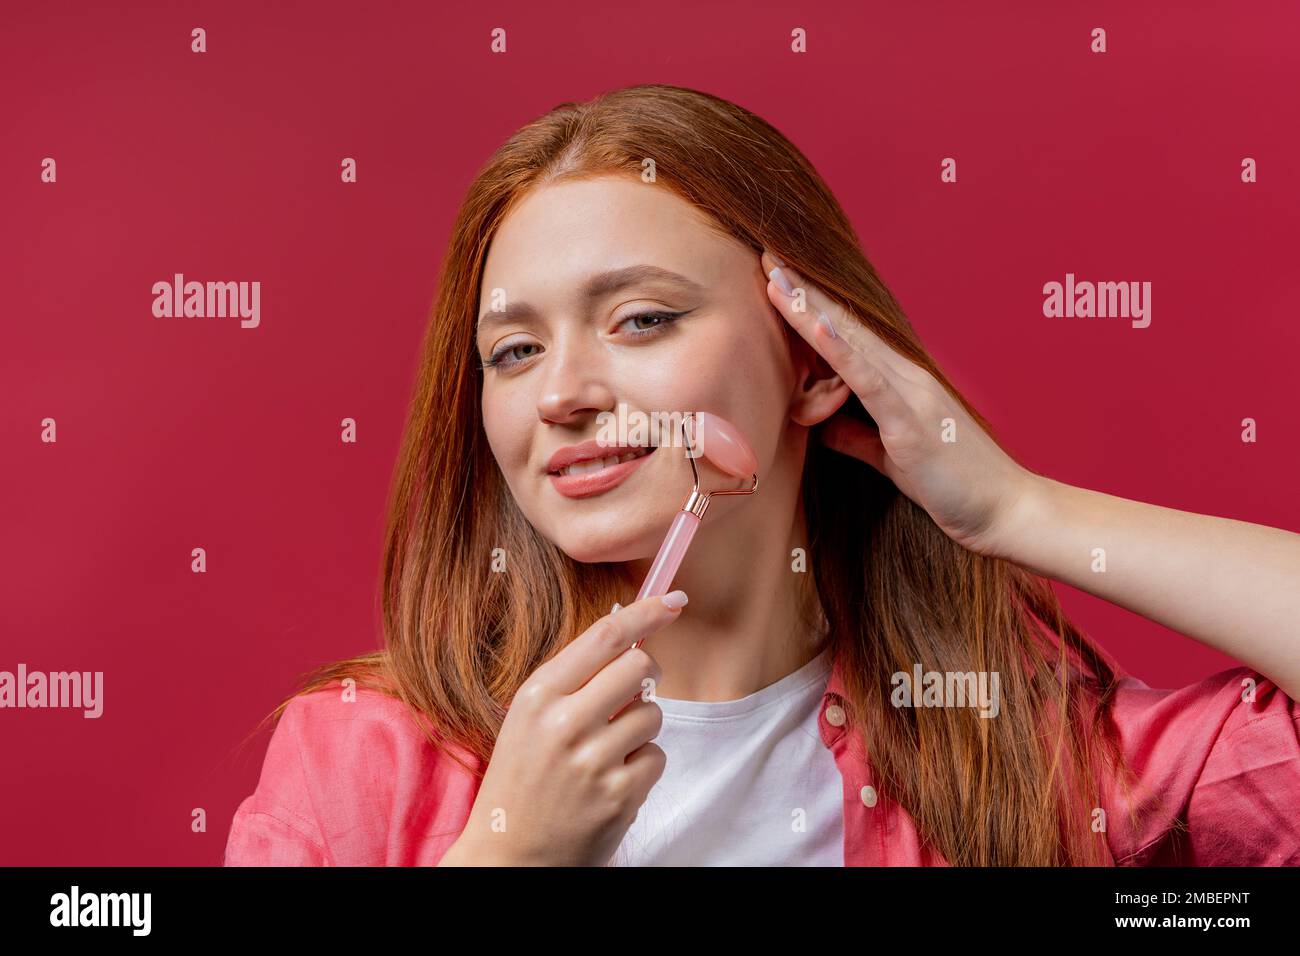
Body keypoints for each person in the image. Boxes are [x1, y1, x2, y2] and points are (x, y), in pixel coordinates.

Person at [224, 83, 1300, 867]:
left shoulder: (1025, 765)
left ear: (813, 362)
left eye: (640, 318)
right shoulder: (356, 755)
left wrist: (1020, 506)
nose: (561, 392)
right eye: (513, 351)